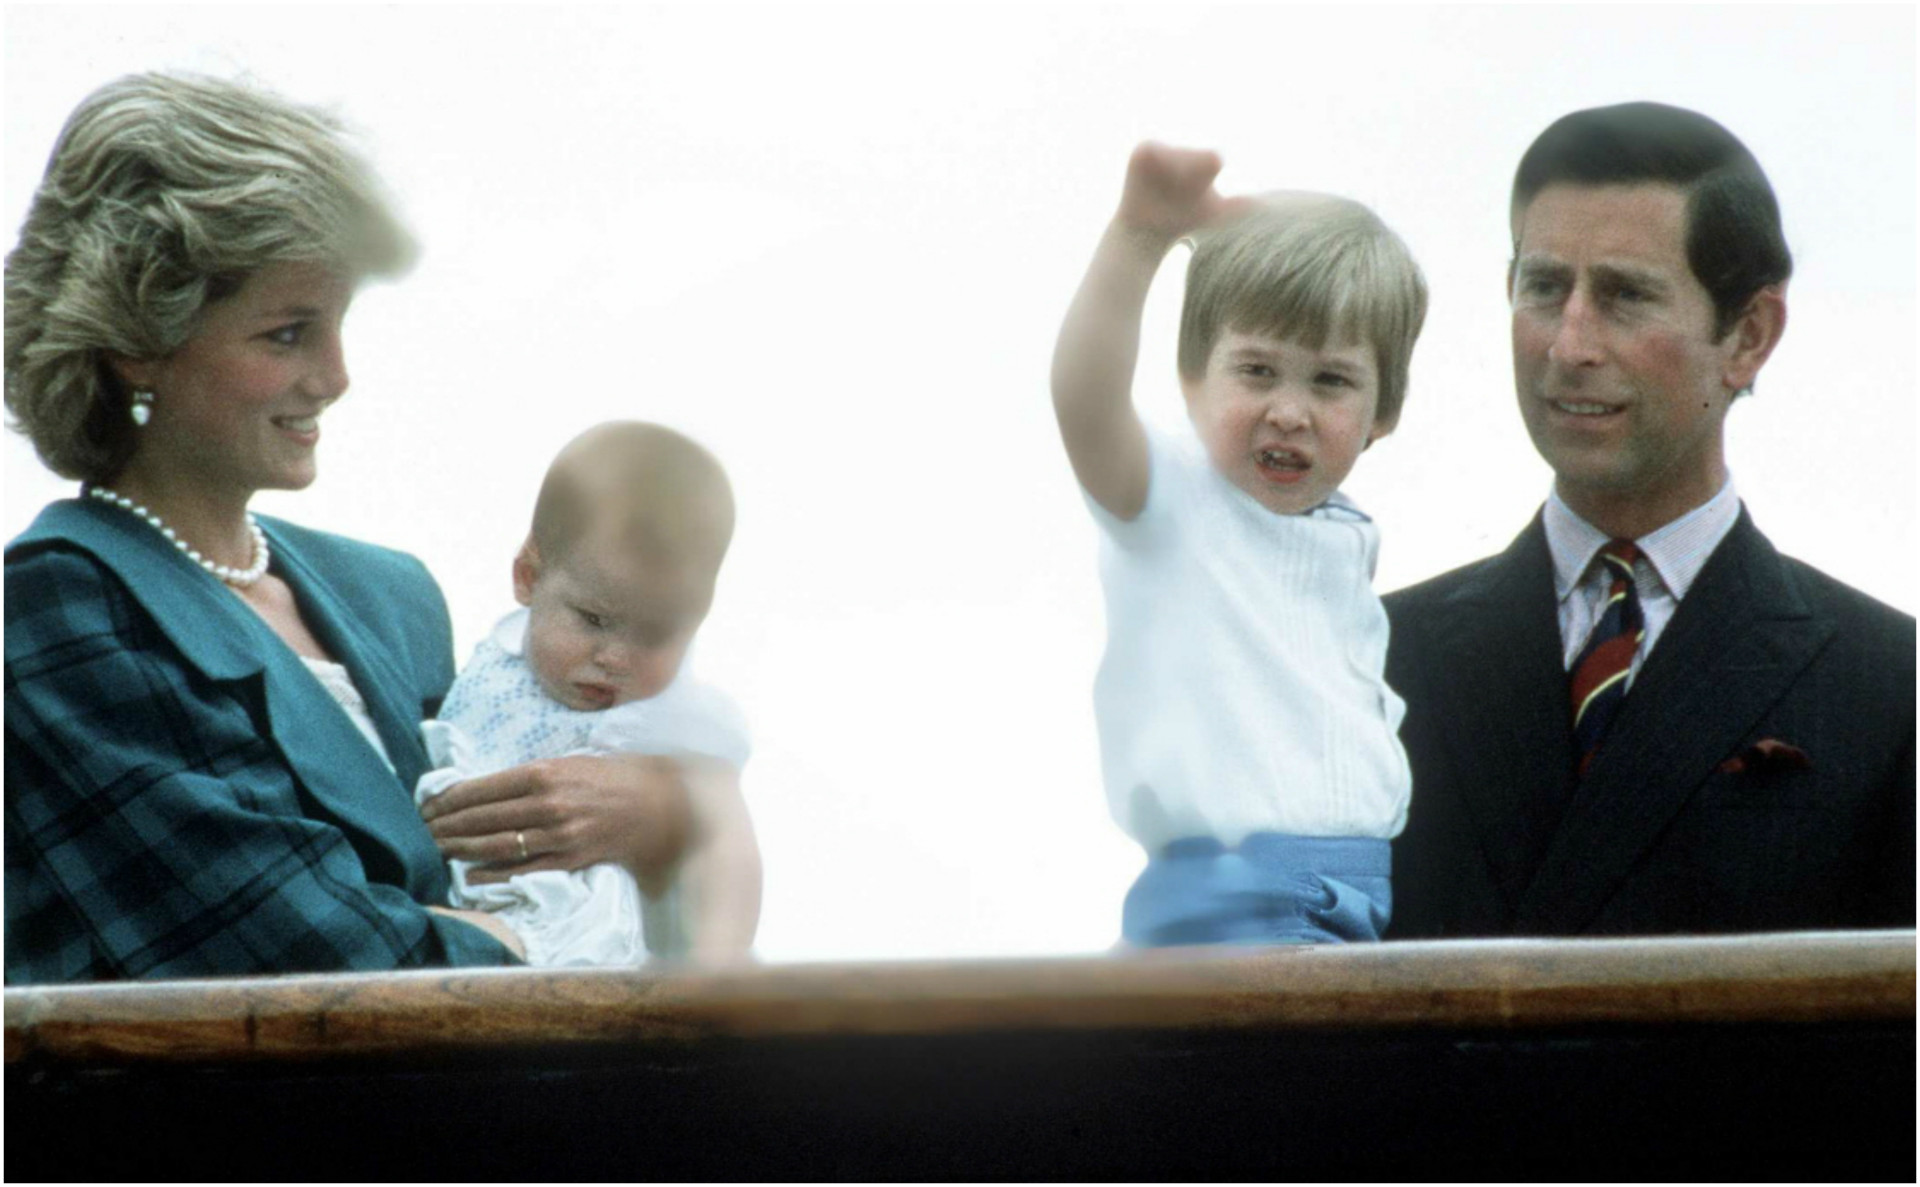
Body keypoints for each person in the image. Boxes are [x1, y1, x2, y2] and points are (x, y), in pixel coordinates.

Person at [4, 72, 694, 983]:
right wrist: (532, 948)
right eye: (287, 333)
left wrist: (654, 825)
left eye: (338, 326)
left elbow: (547, 889)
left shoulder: (392, 596)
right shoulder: (58, 603)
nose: (335, 376)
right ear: (139, 340)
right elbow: (292, 954)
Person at [1385, 102, 1915, 938]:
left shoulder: (1890, 691)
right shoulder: (1367, 661)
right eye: (1544, 286)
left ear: (1749, 335)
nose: (1569, 344)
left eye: (1625, 295)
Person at [1051, 142, 1427, 945]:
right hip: (1229, 898)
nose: (1289, 410)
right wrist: (1138, 240)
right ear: (1194, 378)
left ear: (1383, 410)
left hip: (1357, 893)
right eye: (1257, 371)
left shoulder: (1345, 538)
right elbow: (1085, 398)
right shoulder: (1173, 502)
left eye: (1329, 381)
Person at [415, 421, 762, 965]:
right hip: (468, 899)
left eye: (656, 633)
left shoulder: (673, 717)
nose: (617, 658)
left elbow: (725, 845)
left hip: (591, 943)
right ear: (528, 576)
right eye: (594, 619)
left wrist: (714, 970)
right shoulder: (492, 665)